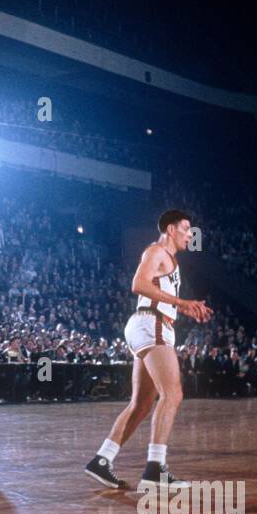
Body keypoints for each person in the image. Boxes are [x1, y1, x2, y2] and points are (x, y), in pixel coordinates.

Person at [84, 210, 213, 491]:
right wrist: (182, 303)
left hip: (151, 324)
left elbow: (159, 293)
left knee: (141, 403)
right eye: (186, 228)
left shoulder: (171, 261)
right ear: (170, 228)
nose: (191, 235)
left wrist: (187, 309)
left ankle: (102, 460)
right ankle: (156, 468)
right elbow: (138, 284)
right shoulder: (155, 251)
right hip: (151, 324)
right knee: (173, 393)